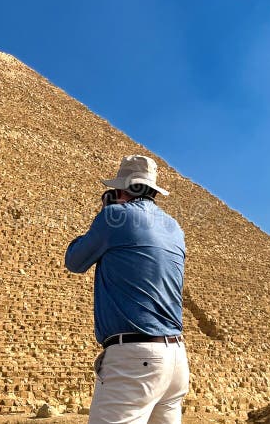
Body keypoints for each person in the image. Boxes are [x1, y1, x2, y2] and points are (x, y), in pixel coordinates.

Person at [65, 155, 189, 424]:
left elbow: (74, 261)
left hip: (136, 359)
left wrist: (104, 212)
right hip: (176, 359)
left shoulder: (114, 217)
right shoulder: (175, 228)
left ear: (122, 190)